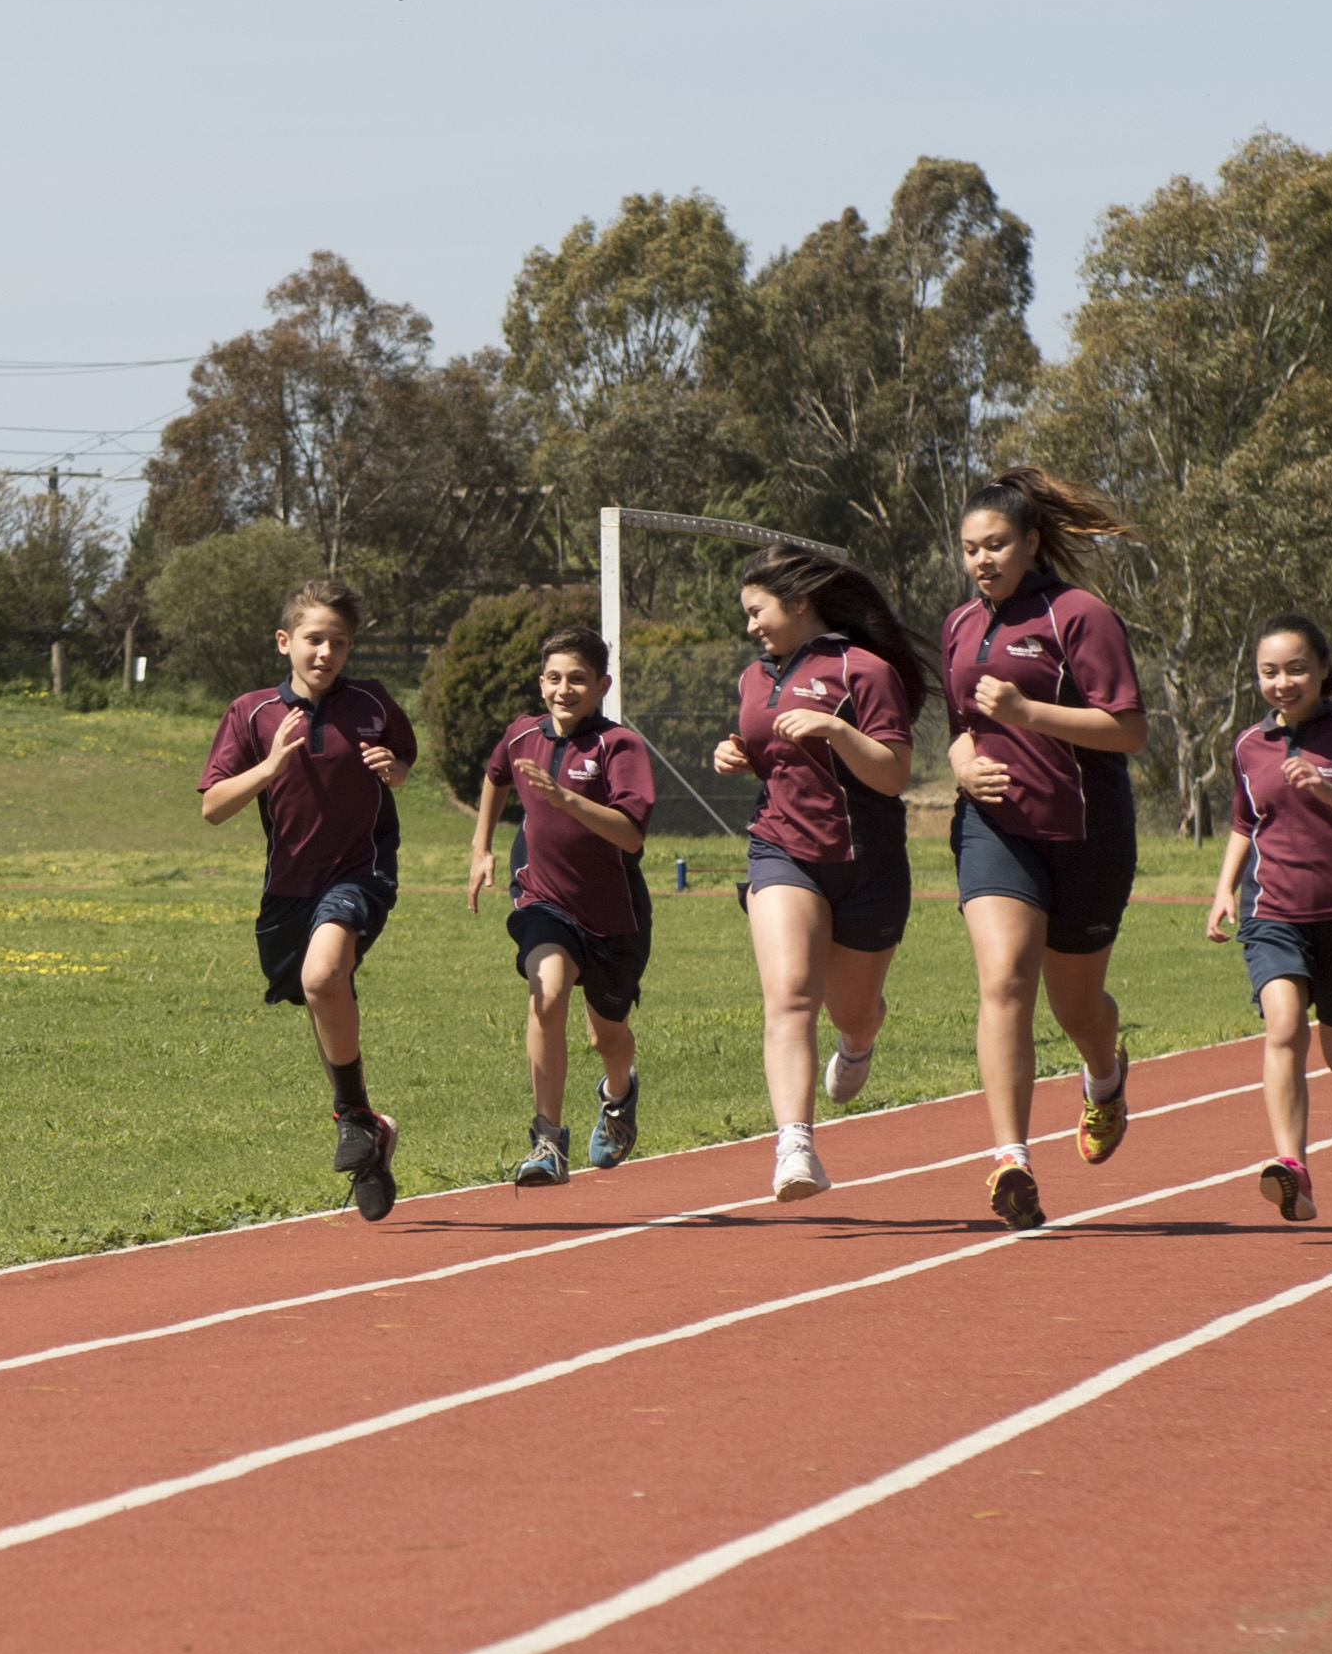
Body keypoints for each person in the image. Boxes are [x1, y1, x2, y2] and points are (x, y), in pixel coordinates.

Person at [941, 465, 1151, 1231]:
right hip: (997, 831)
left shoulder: (1080, 615)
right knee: (1003, 980)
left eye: (996, 544)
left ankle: (1105, 1075)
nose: (982, 561)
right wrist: (961, 762)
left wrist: (1029, 711)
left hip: (1088, 834)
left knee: (1076, 1006)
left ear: (1031, 542)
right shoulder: (962, 624)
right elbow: (961, 723)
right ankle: (1011, 1160)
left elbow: (1128, 729)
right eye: (970, 549)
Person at [710, 543, 925, 1202]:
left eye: (757, 611)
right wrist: (736, 754)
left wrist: (836, 733)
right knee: (791, 995)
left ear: (799, 603)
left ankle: (857, 1043)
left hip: (866, 863)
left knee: (851, 1011)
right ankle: (795, 1147)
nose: (750, 627)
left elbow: (891, 775)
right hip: (782, 851)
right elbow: (768, 749)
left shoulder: (865, 671)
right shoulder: (753, 678)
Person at [200, 577, 421, 1218]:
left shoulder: (372, 701)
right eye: (314, 639)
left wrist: (397, 771)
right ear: (285, 642)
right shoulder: (251, 714)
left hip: (362, 870)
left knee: (325, 975)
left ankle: (353, 1115)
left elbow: (403, 755)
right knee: (321, 1001)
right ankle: (366, 1133)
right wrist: (269, 767)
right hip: (288, 887)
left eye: (340, 643)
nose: (326, 653)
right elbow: (214, 807)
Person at [1201, 614, 1332, 1221]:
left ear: (1323, 669)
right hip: (1274, 915)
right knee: (1284, 1027)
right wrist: (1223, 890)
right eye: (1269, 671)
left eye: (1296, 668)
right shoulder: (1248, 745)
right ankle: (1293, 1165)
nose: (1283, 682)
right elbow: (1247, 823)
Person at [460, 621, 657, 1184]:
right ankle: (547, 1141)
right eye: (552, 677)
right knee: (545, 994)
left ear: (602, 685)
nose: (562, 689)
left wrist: (564, 798)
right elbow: (497, 776)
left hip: (614, 915)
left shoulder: (618, 746)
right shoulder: (522, 735)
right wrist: (482, 848)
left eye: (576, 679)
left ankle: (618, 1095)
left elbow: (630, 835)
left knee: (606, 1037)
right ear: (539, 681)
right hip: (542, 900)